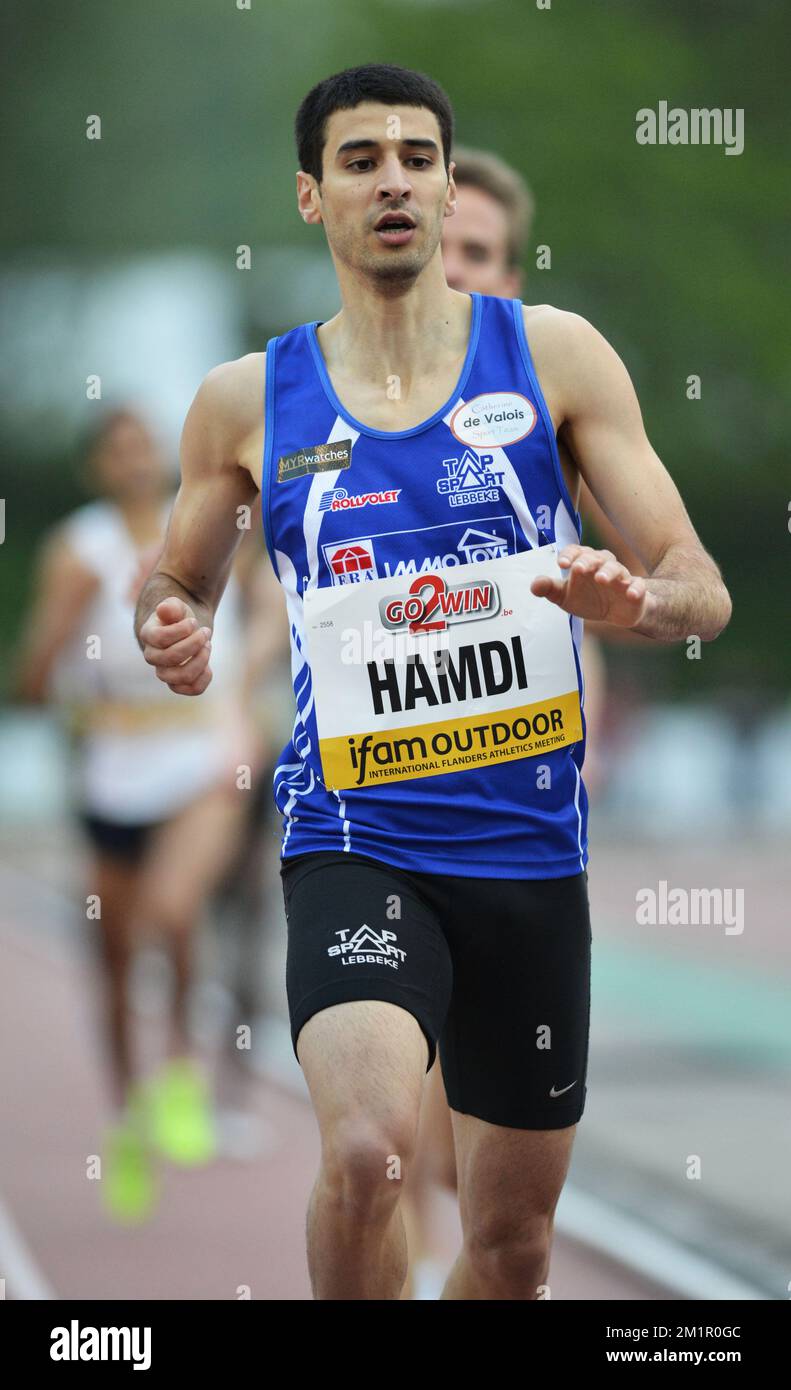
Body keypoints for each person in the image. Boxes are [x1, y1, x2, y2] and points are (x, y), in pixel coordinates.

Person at [133, 65, 731, 1298]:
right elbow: (178, 585)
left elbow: (698, 587)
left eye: (416, 156)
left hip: (526, 857)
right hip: (358, 835)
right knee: (368, 1153)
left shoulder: (553, 358)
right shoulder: (246, 402)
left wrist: (638, 601)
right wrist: (175, 627)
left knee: (509, 1250)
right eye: (360, 160)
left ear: (451, 182)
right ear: (311, 195)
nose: (392, 178)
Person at [399, 145, 650, 1296]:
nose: (456, 273)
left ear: (509, 267)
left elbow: (657, 572)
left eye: (481, 256)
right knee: (384, 1143)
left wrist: (632, 609)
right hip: (374, 814)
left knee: (494, 1211)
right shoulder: (339, 402)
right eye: (443, 250)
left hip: (524, 816)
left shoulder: (549, 393)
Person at [12, 408, 257, 1223]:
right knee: (113, 958)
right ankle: (126, 1116)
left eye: (145, 444)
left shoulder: (208, 528)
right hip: (112, 773)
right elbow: (33, 680)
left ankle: (183, 1076)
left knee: (173, 911)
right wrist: (64, 628)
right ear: (97, 468)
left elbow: (260, 616)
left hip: (196, 763)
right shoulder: (78, 550)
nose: (136, 460)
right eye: (118, 450)